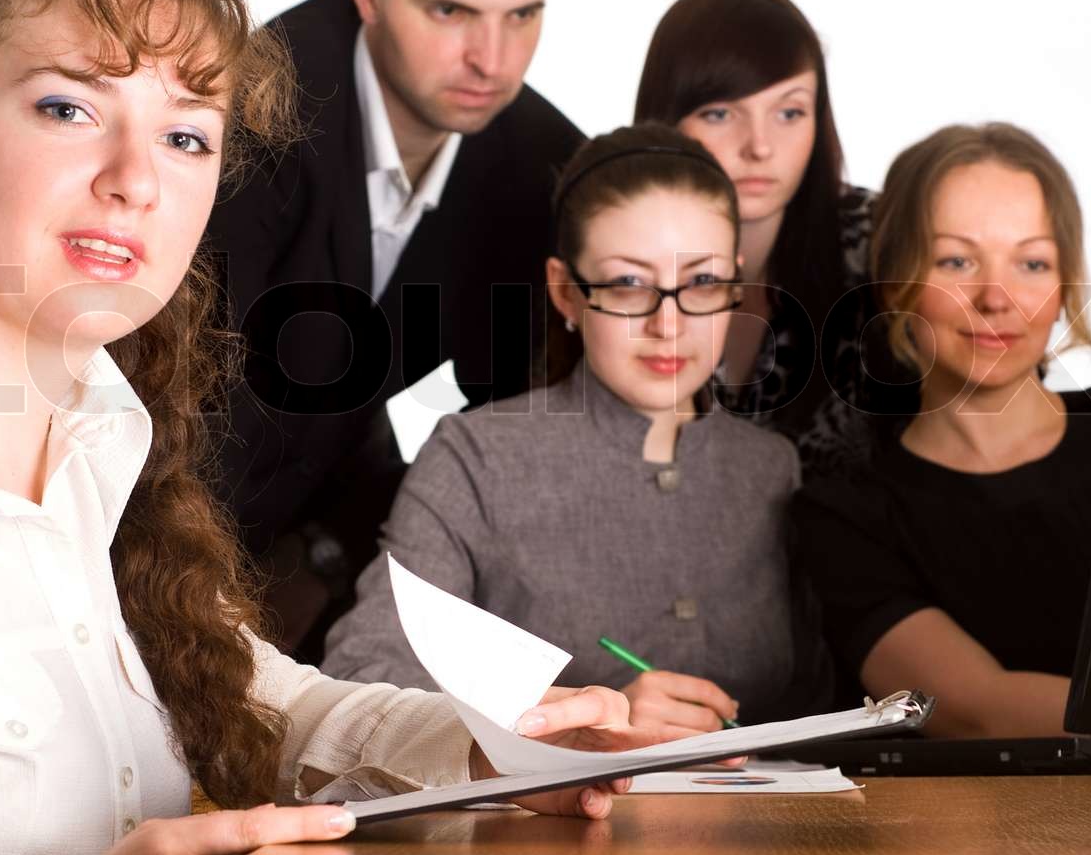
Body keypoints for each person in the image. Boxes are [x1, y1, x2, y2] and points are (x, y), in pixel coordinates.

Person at [0, 0, 653, 855]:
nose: (136, 180)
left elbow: (250, 697)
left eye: (185, 137)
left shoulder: (100, 435)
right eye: (68, 109)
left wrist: (489, 749)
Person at [323, 124, 836, 734]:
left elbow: (818, 705)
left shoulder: (772, 468)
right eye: (628, 284)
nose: (668, 325)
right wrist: (577, 717)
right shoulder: (476, 457)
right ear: (566, 293)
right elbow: (361, 677)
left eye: (702, 282)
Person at [206, 0, 583, 658]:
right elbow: (163, 413)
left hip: (333, 560)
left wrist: (327, 557)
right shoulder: (240, 117)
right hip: (137, 546)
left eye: (523, 14)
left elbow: (501, 441)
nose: (493, 59)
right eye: (451, 11)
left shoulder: (545, 169)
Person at [791, 122, 1091, 739]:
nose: (997, 298)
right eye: (957, 261)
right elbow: (974, 710)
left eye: (1032, 262)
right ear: (897, 282)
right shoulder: (845, 514)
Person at [635, 0, 917, 478]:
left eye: (789, 112)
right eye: (720, 113)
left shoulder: (880, 245)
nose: (760, 146)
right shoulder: (609, 252)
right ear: (666, 119)